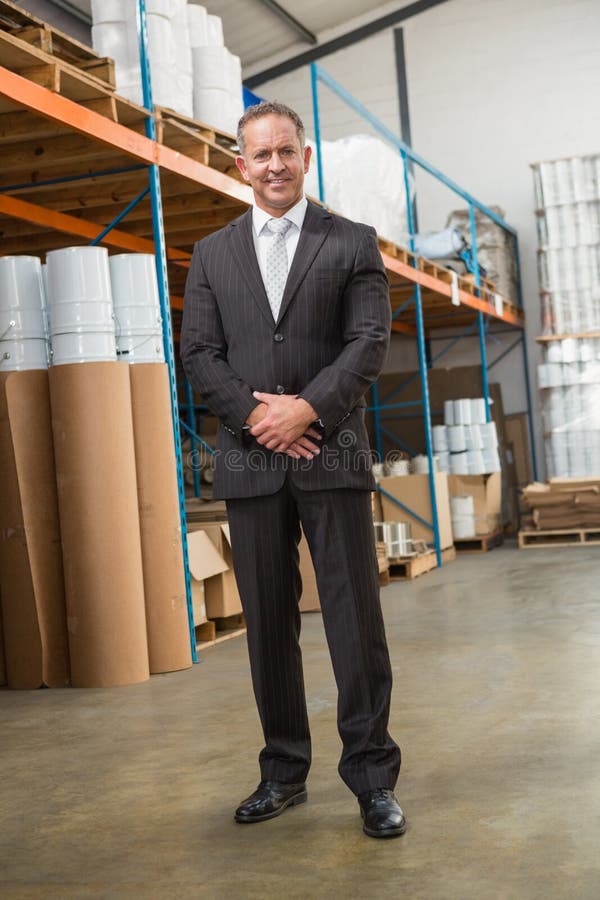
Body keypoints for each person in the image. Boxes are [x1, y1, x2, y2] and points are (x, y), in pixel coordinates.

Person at [181, 101, 405, 838]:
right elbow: (199, 354)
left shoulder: (351, 242)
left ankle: (372, 778)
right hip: (251, 460)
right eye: (261, 154)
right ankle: (282, 771)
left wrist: (307, 410)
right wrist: (261, 419)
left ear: (305, 158)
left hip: (330, 452)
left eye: (286, 151)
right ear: (240, 165)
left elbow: (368, 341)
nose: (274, 164)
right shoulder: (212, 254)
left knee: (354, 621)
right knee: (269, 626)